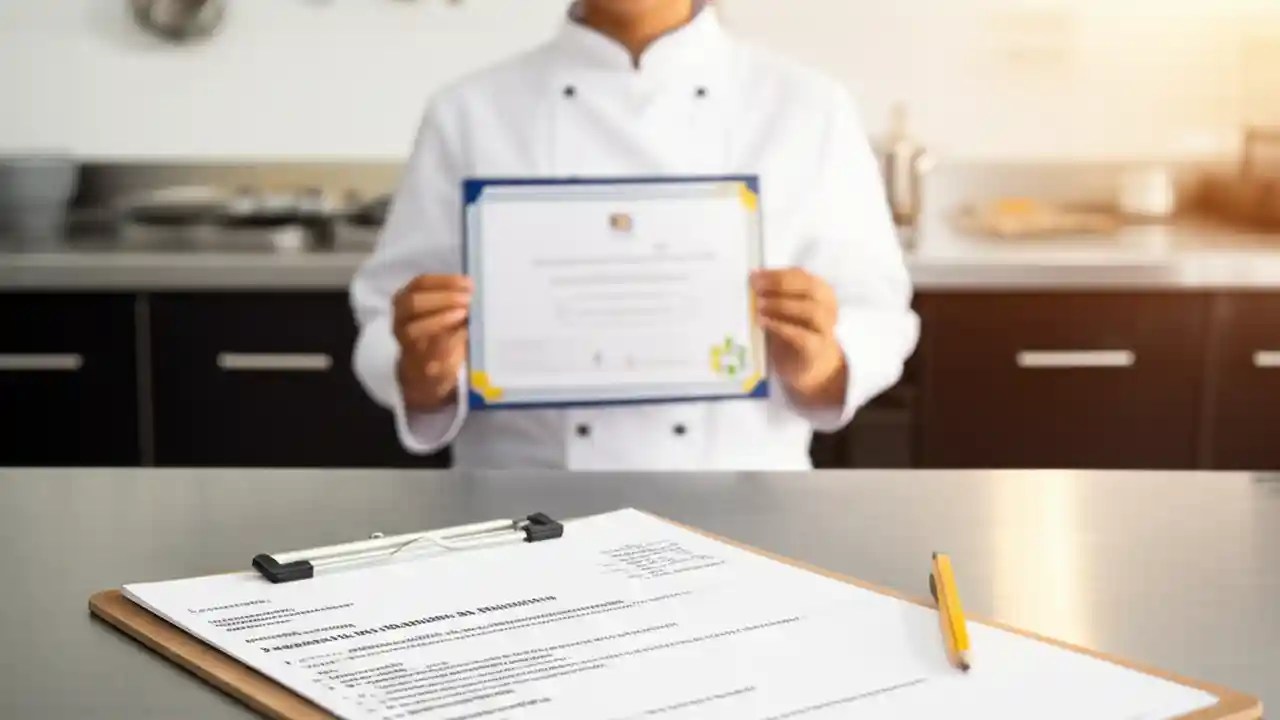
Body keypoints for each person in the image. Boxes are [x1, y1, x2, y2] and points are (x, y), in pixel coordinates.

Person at [350, 0, 919, 470]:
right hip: (519, 506)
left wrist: (821, 364)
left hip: (744, 502)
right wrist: (421, 369)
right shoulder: (469, 111)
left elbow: (877, 312)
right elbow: (386, 318)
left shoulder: (808, 108)